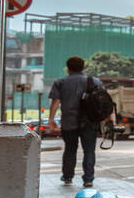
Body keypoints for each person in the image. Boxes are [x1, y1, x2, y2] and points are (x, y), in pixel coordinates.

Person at [47, 56, 114, 188]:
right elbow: (104, 101)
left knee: (70, 150)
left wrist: (51, 120)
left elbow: (55, 101)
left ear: (68, 68)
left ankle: (67, 176)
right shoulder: (94, 81)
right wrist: (109, 117)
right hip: (90, 122)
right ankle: (88, 179)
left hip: (68, 122)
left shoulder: (60, 82)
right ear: (83, 67)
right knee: (89, 151)